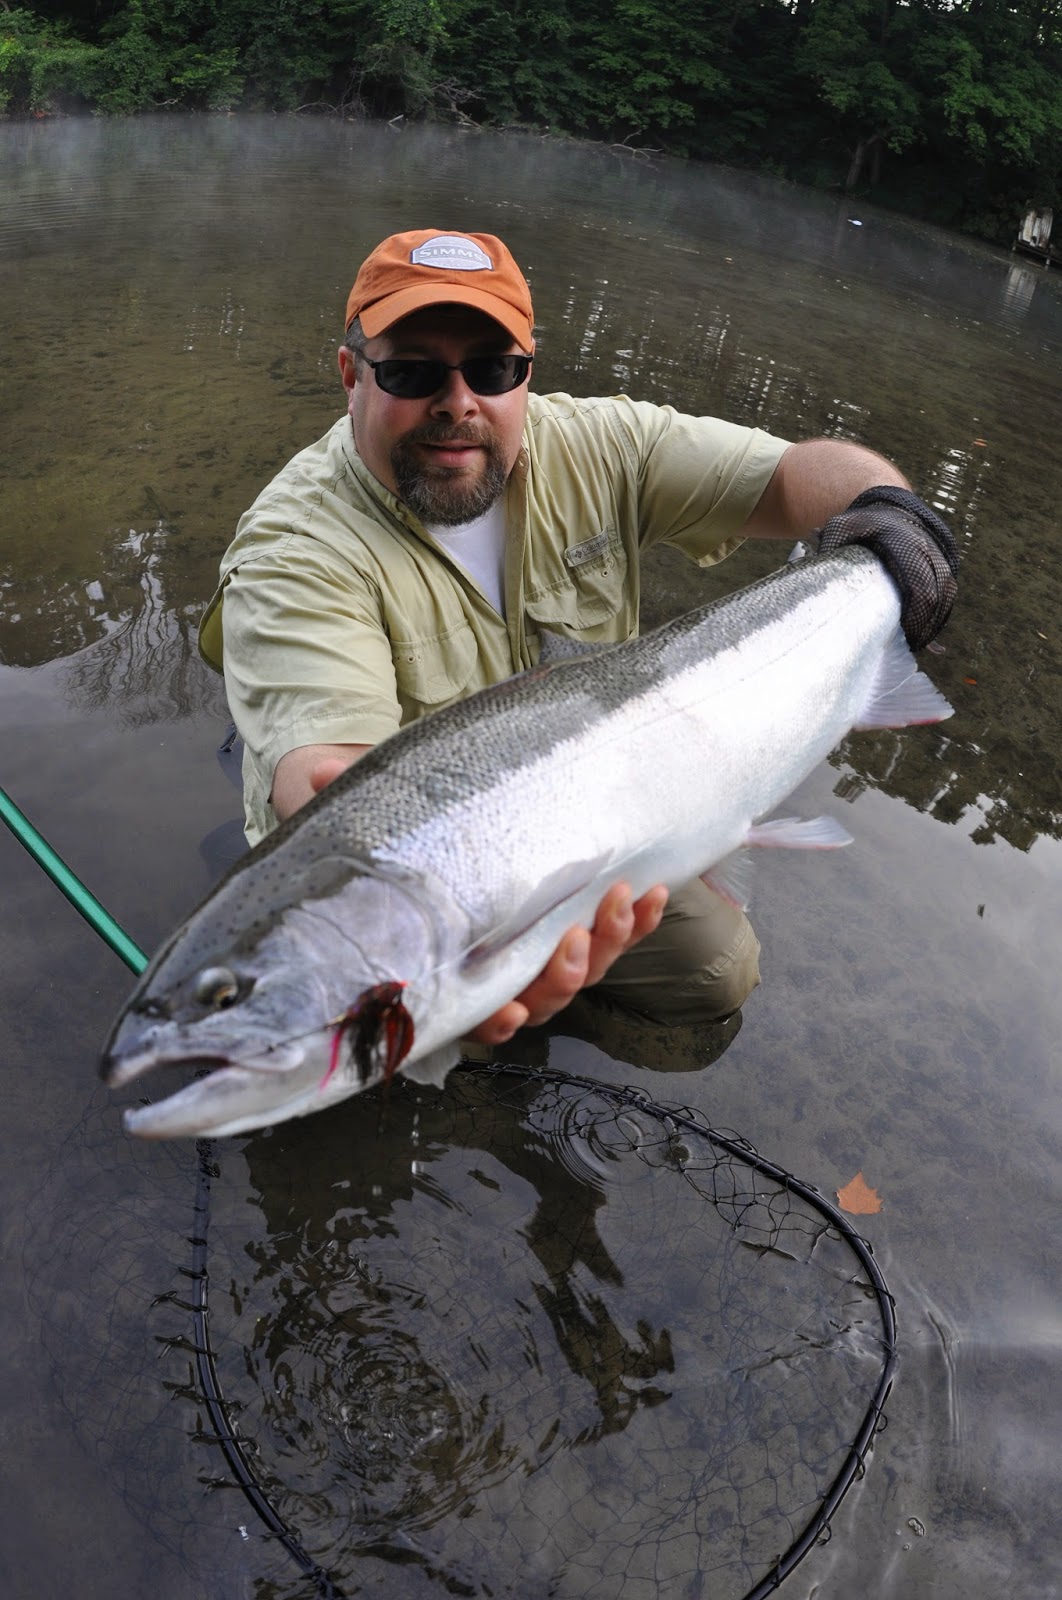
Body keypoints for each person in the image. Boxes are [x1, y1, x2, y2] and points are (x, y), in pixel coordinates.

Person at [198, 229, 958, 1051]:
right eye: (412, 372)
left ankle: (525, 1007)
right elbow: (329, 783)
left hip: (591, 796)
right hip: (428, 865)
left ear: (527, 372)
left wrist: (889, 515)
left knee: (717, 969)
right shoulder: (293, 549)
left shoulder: (604, 444)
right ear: (351, 373)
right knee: (354, 1015)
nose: (457, 402)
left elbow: (795, 476)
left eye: (490, 369)